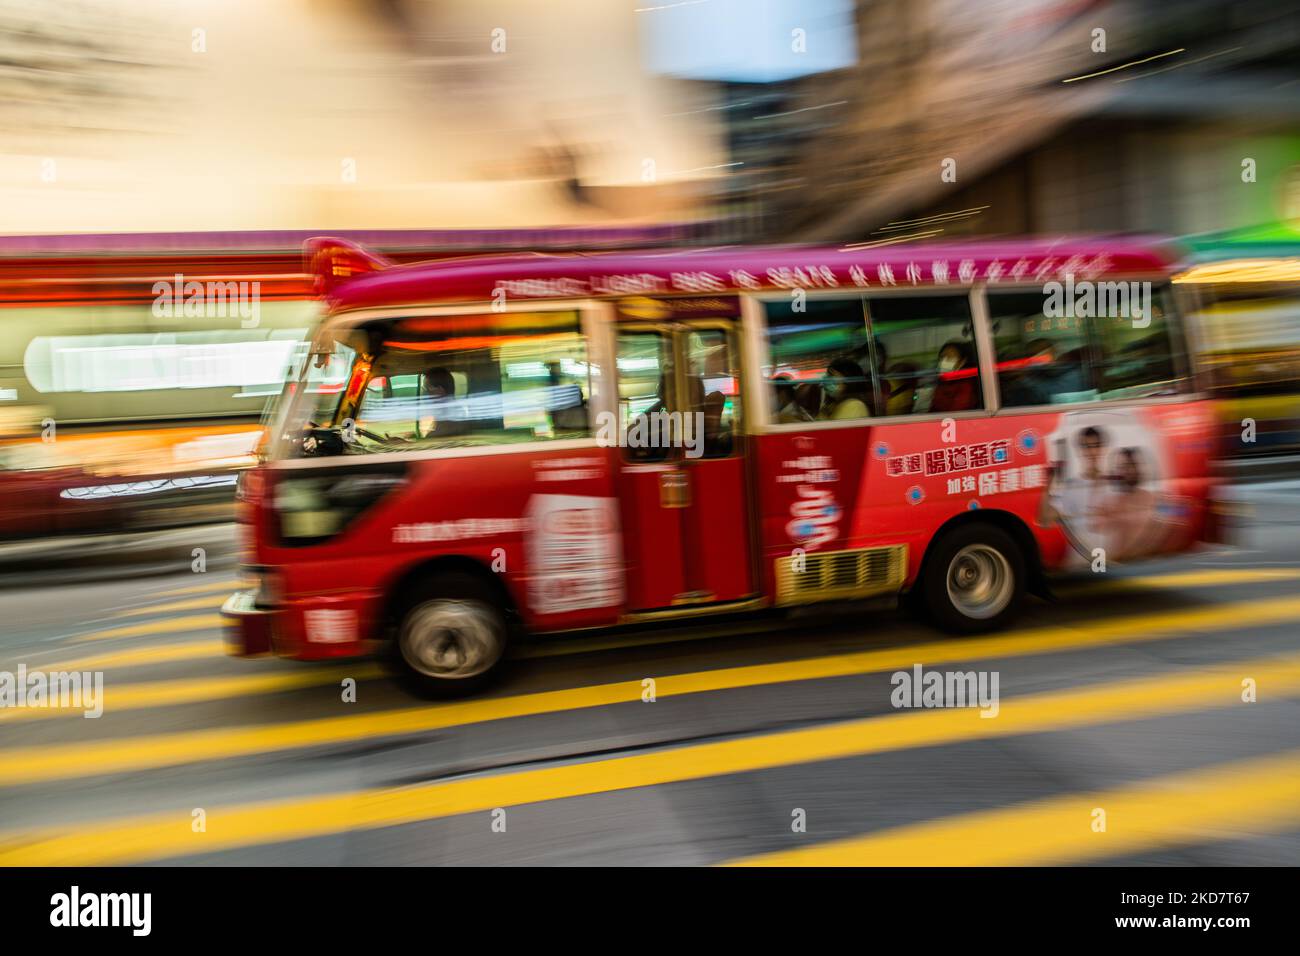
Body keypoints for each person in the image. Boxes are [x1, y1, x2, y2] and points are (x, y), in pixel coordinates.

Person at [416, 367, 469, 438]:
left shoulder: (451, 414)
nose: (425, 393)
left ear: (440, 391)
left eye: (427, 389)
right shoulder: (451, 410)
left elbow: (441, 436)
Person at [928, 341, 979, 412]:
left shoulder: (966, 385)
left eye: (950, 357)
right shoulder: (942, 383)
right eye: (942, 357)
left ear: (962, 362)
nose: (944, 361)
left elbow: (957, 413)